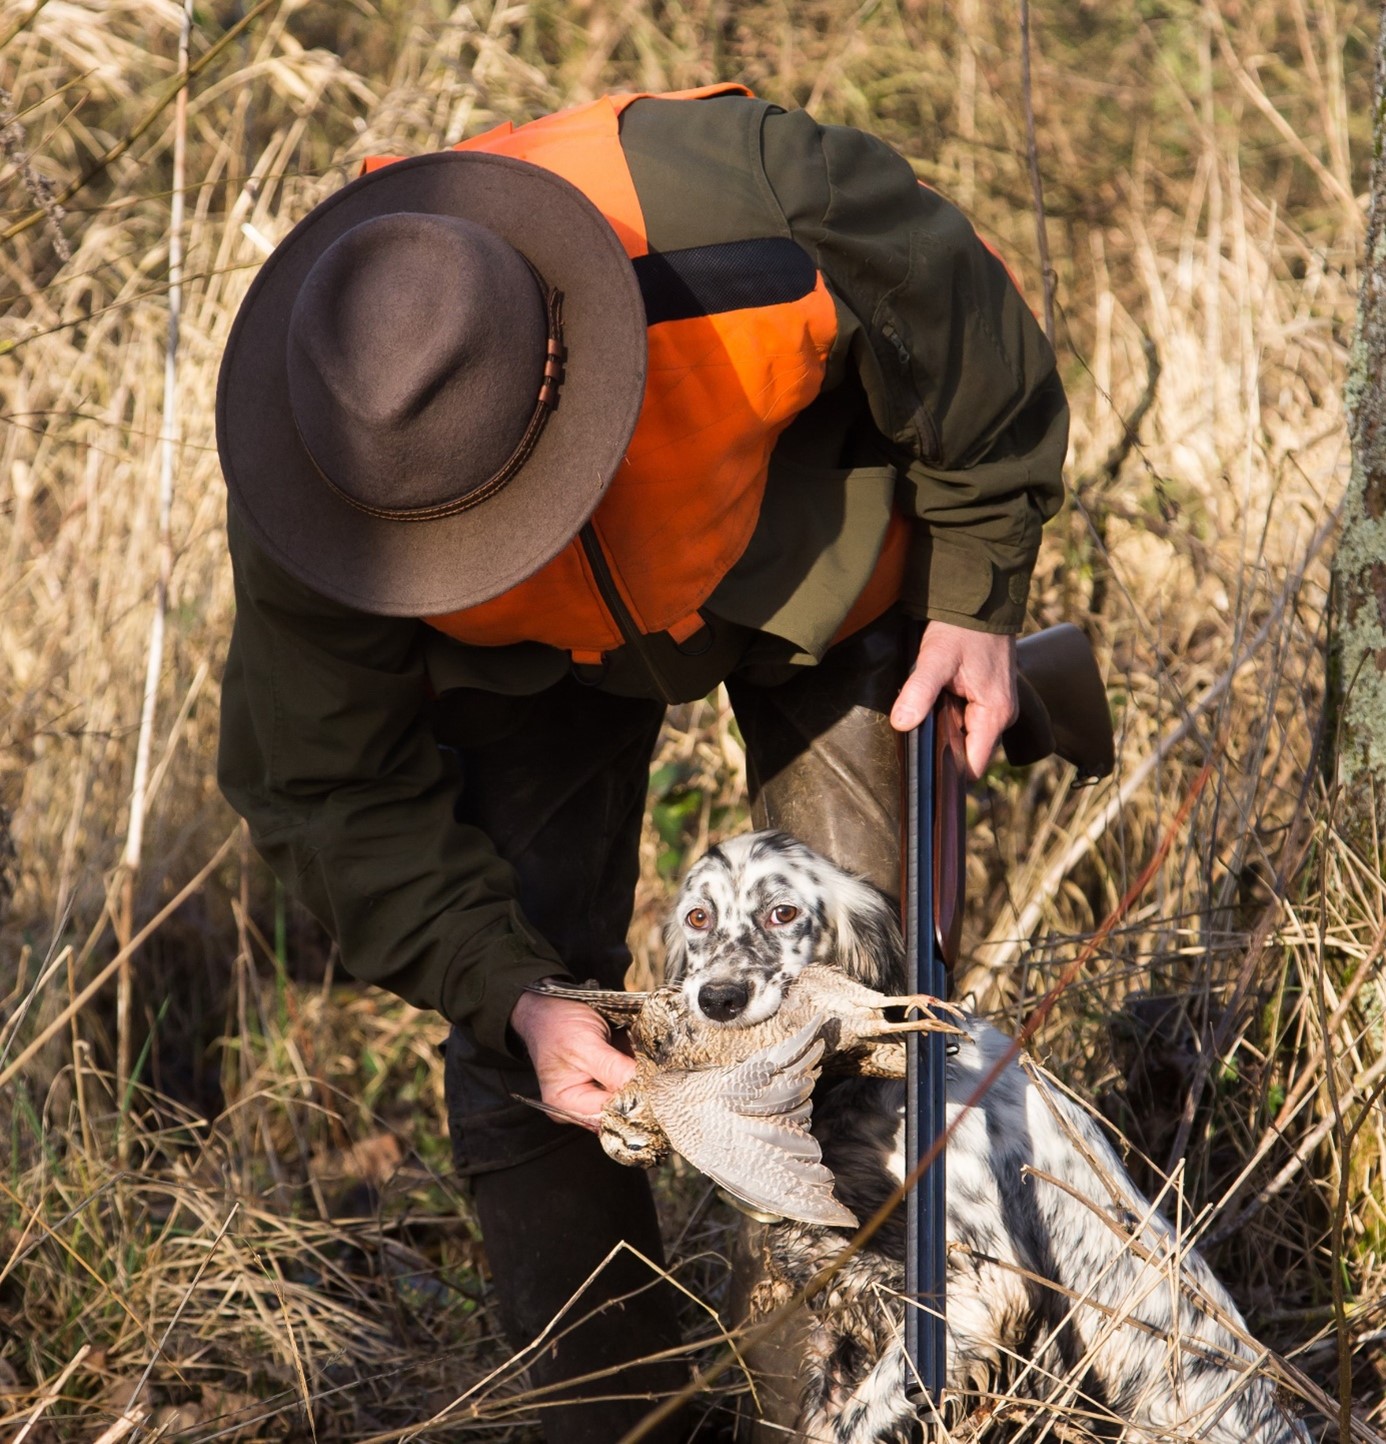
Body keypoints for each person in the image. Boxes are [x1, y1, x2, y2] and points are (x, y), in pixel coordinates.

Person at [216, 84, 1067, 1442]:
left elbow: (970, 337)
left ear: (567, 366)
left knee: (863, 1013)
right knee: (522, 1047)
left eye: (508, 502)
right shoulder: (318, 460)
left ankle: (851, 1408)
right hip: (522, 673)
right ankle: (621, 1417)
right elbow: (328, 788)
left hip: (824, 598)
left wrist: (973, 596)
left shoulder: (747, 215)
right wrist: (510, 995)